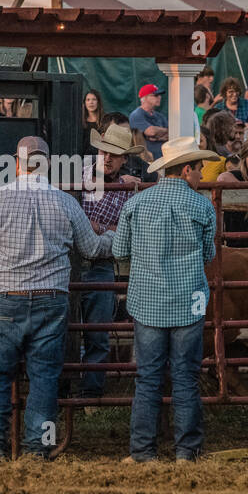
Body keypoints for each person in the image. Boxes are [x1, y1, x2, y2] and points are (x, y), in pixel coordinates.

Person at [0, 136, 114, 462]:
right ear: (47, 164)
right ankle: (37, 447)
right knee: (45, 377)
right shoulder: (66, 202)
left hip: (5, 298)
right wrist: (119, 237)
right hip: (51, 300)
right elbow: (91, 249)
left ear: (16, 163)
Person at [113, 137, 218, 463]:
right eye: (199, 169)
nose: (201, 174)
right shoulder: (203, 206)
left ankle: (143, 451)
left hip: (148, 302)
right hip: (189, 301)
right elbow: (208, 254)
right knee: (186, 378)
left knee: (148, 378)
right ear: (186, 170)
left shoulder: (136, 204)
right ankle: (187, 451)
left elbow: (119, 251)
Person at [76, 124, 143, 399]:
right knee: (68, 330)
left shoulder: (128, 189)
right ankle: (68, 388)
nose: (108, 158)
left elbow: (125, 233)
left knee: (97, 332)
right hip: (74, 263)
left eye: (115, 154)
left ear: (124, 159)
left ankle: (91, 392)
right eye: (105, 151)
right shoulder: (78, 175)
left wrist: (96, 226)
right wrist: (106, 228)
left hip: (98, 264)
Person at [129, 83, 168, 159]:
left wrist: (156, 136)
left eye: (159, 95)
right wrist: (161, 133)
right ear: (145, 98)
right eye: (156, 95)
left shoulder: (160, 116)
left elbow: (170, 133)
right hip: (147, 160)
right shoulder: (136, 115)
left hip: (163, 157)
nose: (159, 97)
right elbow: (151, 131)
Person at [200, 110, 238, 181]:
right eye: (232, 125)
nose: (235, 129)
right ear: (224, 127)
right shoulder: (221, 152)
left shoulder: (221, 153)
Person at [81, 88, 104, 155]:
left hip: (101, 158)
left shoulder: (105, 120)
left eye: (94, 99)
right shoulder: (80, 121)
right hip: (84, 159)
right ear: (84, 103)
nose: (91, 102)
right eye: (88, 100)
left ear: (98, 102)